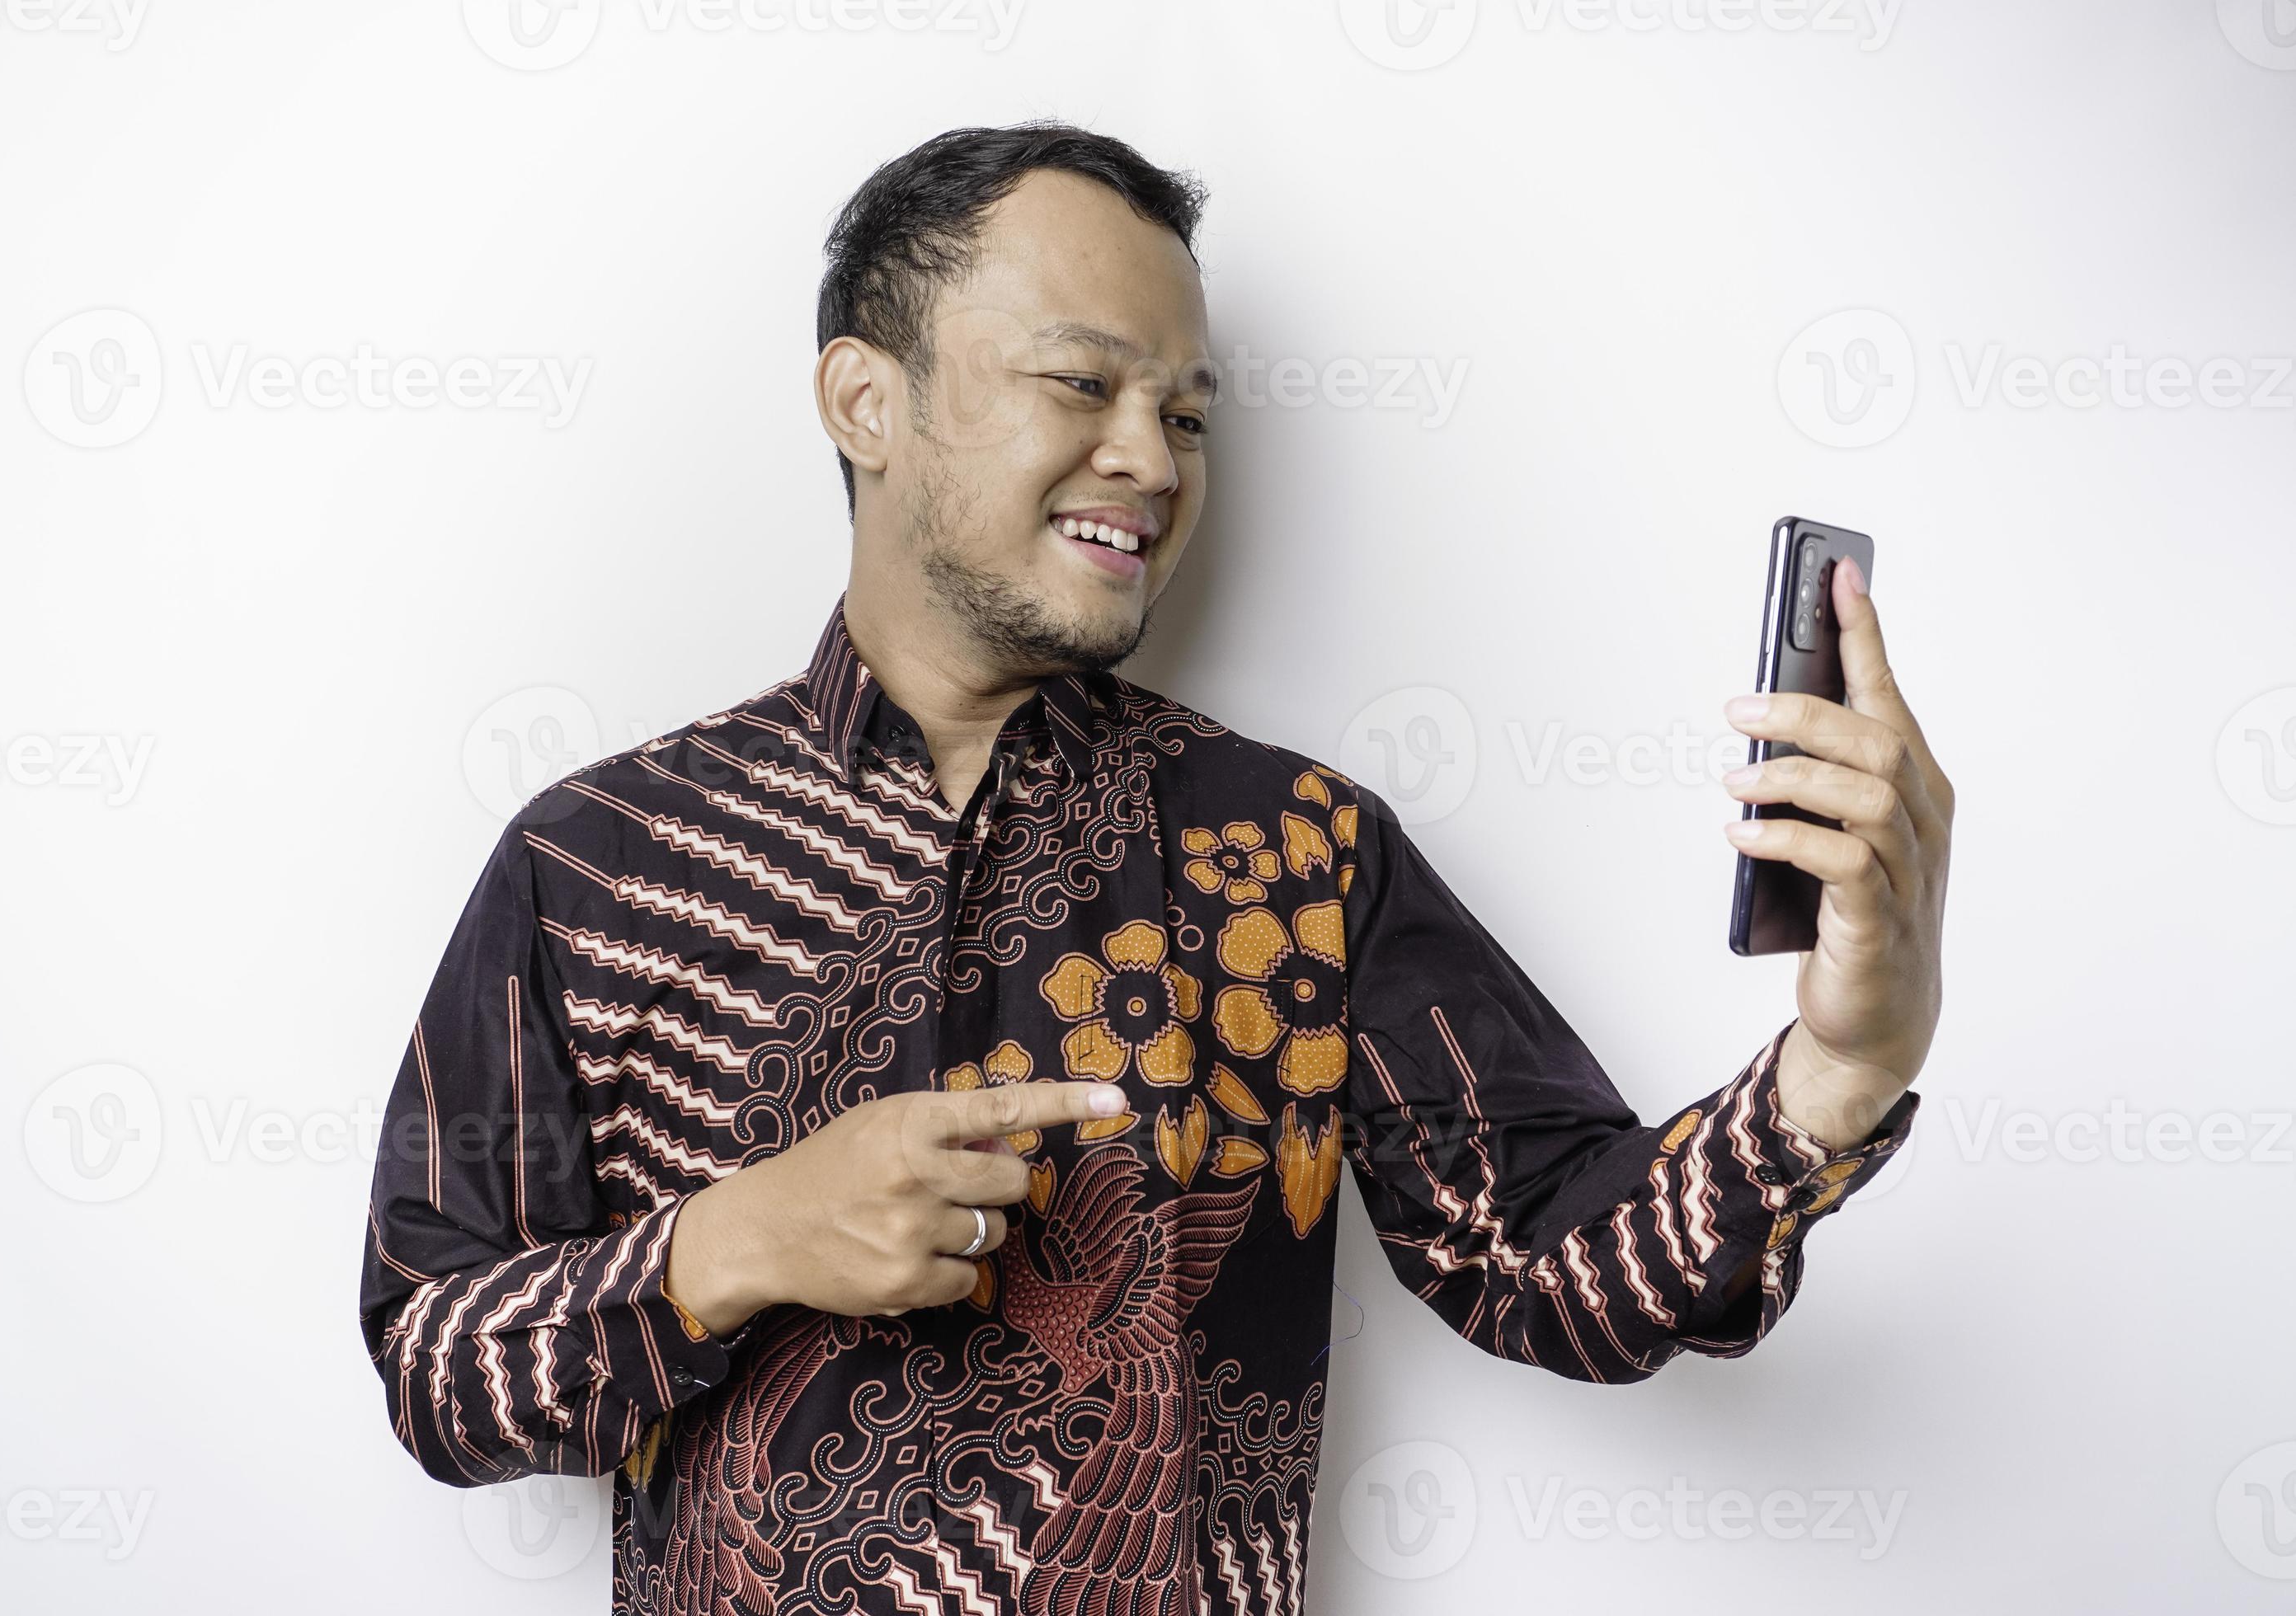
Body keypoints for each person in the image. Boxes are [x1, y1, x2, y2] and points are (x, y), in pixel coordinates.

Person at [357, 120, 1954, 1614]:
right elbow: (436, 1370)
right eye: (1083, 383)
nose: (1154, 459)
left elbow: (1565, 1274)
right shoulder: (602, 862)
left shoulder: (1300, 854)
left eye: (1186, 415)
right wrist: (737, 1242)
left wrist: (1844, 1063)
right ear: (864, 400)